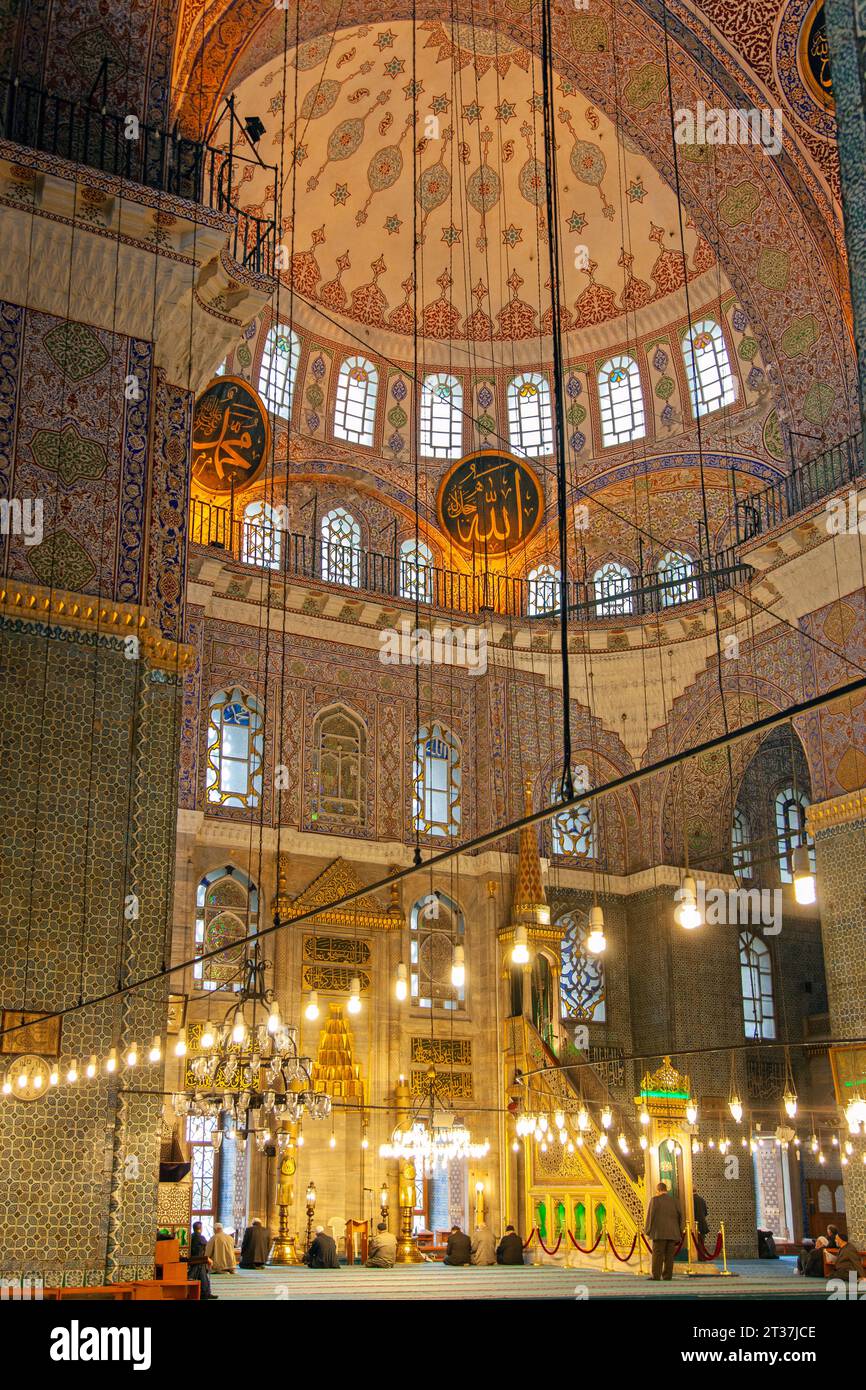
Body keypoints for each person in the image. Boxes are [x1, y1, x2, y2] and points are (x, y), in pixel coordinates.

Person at [645, 1181, 682, 1282]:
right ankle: (667, 1276)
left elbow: (650, 1216)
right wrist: (678, 1231)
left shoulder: (655, 1200)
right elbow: (680, 1217)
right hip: (673, 1233)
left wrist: (648, 1230)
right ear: (666, 1190)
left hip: (659, 1233)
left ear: (658, 1190)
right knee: (669, 1256)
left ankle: (656, 1276)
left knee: (657, 1255)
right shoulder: (675, 1200)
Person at [187, 1221, 217, 1299]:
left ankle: (205, 1293)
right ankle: (205, 1294)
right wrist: (207, 1259)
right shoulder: (200, 1237)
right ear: (200, 1229)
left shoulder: (191, 1236)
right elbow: (201, 1251)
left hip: (194, 1260)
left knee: (203, 1277)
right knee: (203, 1277)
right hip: (199, 1260)